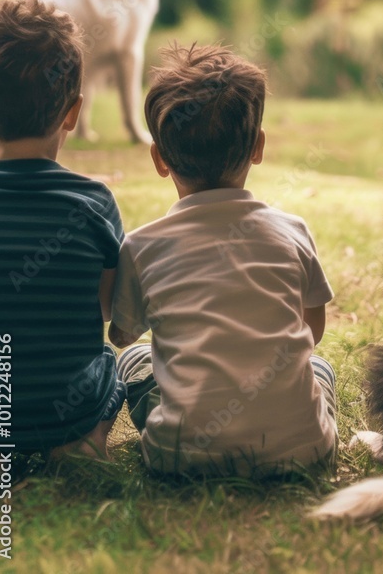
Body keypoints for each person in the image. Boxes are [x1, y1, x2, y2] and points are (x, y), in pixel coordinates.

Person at [109, 43, 337, 475]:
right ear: (258, 147)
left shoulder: (142, 247)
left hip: (179, 457)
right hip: (306, 453)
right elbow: (314, 329)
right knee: (318, 367)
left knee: (132, 360)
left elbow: (122, 334)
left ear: (159, 159)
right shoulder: (292, 231)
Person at [0, 0, 126, 475]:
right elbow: (104, 310)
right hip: (65, 414)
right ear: (72, 112)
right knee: (111, 364)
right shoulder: (94, 204)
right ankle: (78, 444)